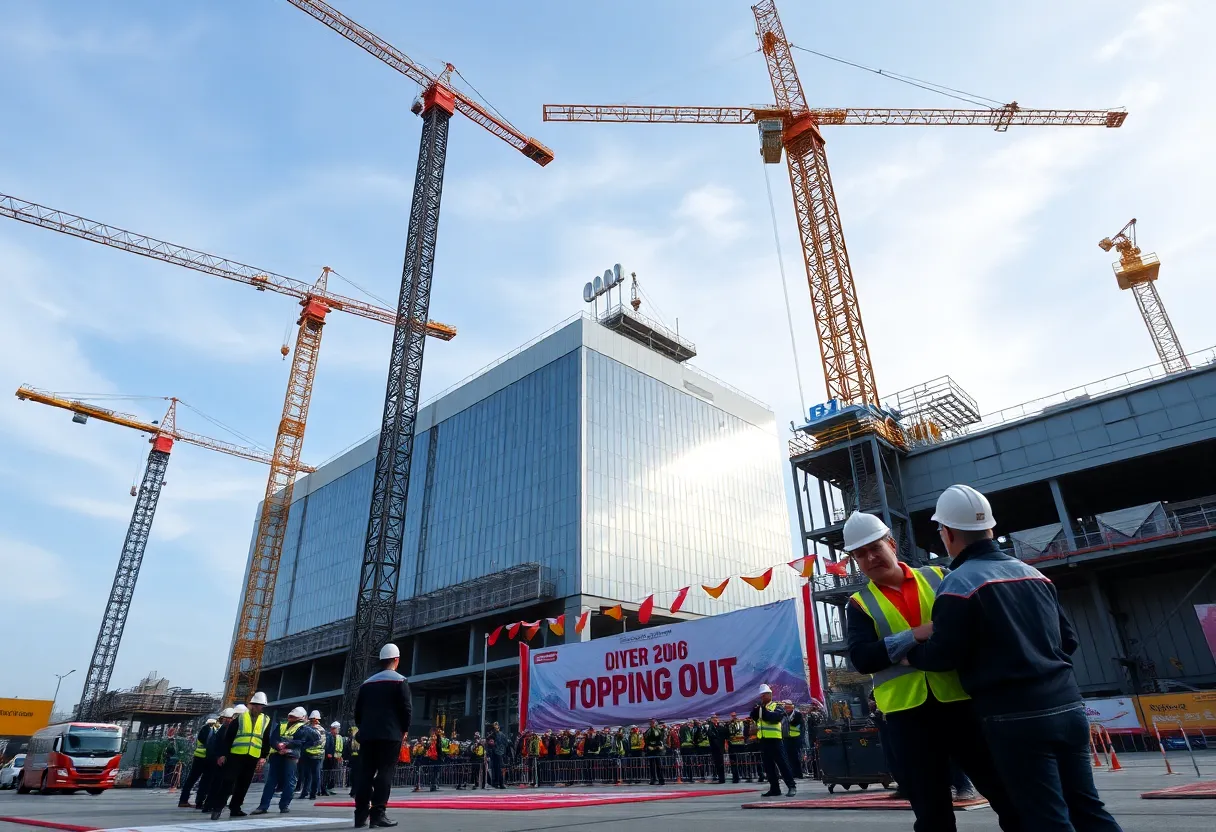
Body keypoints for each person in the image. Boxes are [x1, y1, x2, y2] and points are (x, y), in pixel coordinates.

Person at [907, 484, 1122, 831]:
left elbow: (944, 655)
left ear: (946, 533)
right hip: (1069, 706)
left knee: (1046, 817)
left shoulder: (957, 585)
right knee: (1087, 807)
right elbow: (1068, 640)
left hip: (1014, 716)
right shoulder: (1036, 574)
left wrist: (910, 655)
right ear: (990, 528)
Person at [842, 510, 1018, 832]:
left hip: (961, 703)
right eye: (859, 554)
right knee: (931, 809)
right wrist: (916, 634)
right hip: (906, 716)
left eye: (874, 548)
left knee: (1004, 793)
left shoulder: (940, 576)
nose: (869, 557)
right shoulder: (859, 603)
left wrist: (896, 650)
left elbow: (969, 630)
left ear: (891, 545)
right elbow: (863, 660)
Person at [352, 643, 413, 828]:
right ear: (397, 660)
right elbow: (406, 709)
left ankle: (360, 815)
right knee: (385, 772)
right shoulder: (400, 681)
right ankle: (378, 813)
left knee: (365, 773)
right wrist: (404, 730)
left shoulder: (366, 684)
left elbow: (358, 713)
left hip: (368, 735)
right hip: (390, 734)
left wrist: (364, 728)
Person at [207, 694, 270, 820]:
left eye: (261, 706)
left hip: (253, 756)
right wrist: (223, 754)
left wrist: (263, 756)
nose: (259, 708)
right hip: (236, 755)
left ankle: (235, 808)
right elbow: (228, 738)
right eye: (257, 705)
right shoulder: (240, 718)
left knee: (244, 784)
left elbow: (266, 739)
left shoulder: (266, 720)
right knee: (228, 781)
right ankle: (218, 808)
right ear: (251, 705)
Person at [252, 706, 316, 815]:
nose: (290, 718)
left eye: (292, 716)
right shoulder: (282, 725)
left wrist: (287, 745)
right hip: (278, 754)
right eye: (290, 716)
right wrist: (279, 747)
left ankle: (283, 805)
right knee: (273, 781)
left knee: (288, 781)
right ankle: (264, 806)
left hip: (290, 756)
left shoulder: (304, 728)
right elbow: (273, 739)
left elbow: (305, 741)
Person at [750, 684, 796, 797]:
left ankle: (791, 786)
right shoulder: (760, 708)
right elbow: (753, 716)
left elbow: (774, 718)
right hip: (764, 740)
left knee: (783, 764)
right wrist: (757, 710)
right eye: (761, 695)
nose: (762, 697)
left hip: (775, 740)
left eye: (764, 695)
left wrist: (762, 711)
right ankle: (774, 788)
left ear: (770, 695)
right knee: (769, 767)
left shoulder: (777, 706)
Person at [178, 717, 217, 808]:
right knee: (205, 781)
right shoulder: (210, 730)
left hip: (198, 758)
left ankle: (183, 800)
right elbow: (209, 744)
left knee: (191, 779)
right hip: (206, 759)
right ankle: (199, 802)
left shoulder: (203, 729)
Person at [296, 710, 325, 800]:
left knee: (315, 775)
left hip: (316, 755)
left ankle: (312, 794)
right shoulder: (306, 728)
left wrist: (306, 745)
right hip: (307, 755)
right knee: (306, 775)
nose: (313, 721)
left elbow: (320, 742)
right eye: (312, 719)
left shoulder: (320, 729)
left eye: (314, 719)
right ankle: (305, 792)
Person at [782, 701, 805, 778]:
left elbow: (794, 723)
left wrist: (787, 718)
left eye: (788, 707)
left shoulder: (797, 714)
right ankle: (791, 773)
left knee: (796, 757)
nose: (787, 709)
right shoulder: (783, 715)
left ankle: (799, 773)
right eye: (785, 707)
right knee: (788, 757)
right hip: (786, 738)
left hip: (796, 738)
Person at [485, 721, 508, 789]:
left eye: (496, 726)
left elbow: (505, 743)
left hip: (497, 753)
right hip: (496, 753)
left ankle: (498, 783)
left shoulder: (498, 735)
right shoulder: (494, 735)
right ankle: (497, 783)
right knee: (496, 768)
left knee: (497, 768)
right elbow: (505, 744)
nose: (495, 728)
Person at [323, 721, 344, 797]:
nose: (337, 730)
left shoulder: (339, 737)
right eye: (336, 729)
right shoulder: (328, 736)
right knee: (327, 772)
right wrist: (329, 753)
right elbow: (328, 746)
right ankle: (324, 788)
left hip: (336, 758)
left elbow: (340, 748)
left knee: (333, 773)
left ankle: (330, 787)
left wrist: (340, 756)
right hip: (329, 757)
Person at [643, 718, 666, 786]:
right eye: (651, 722)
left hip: (657, 750)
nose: (652, 724)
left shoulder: (658, 730)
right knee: (652, 767)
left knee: (659, 766)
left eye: (653, 722)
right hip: (651, 751)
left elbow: (661, 738)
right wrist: (648, 746)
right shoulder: (648, 731)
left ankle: (661, 780)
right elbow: (646, 740)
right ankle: (653, 780)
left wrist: (660, 746)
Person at [706, 714, 728, 784]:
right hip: (715, 748)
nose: (715, 719)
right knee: (718, 764)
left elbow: (725, 735)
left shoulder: (719, 727)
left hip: (719, 748)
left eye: (716, 718)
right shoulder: (711, 727)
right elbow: (711, 735)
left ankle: (721, 779)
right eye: (714, 718)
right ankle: (720, 778)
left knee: (720, 764)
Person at [726, 712, 747, 783]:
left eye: (734, 715)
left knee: (742, 761)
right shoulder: (728, 724)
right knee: (733, 762)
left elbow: (745, 731)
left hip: (741, 745)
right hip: (732, 746)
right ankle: (735, 777)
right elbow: (726, 734)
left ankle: (744, 775)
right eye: (732, 716)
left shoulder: (741, 722)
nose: (733, 717)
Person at [345, 726, 360, 797]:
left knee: (354, 776)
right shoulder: (354, 739)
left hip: (354, 759)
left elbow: (348, 749)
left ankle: (354, 791)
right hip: (357, 759)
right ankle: (355, 790)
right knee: (355, 776)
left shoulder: (352, 740)